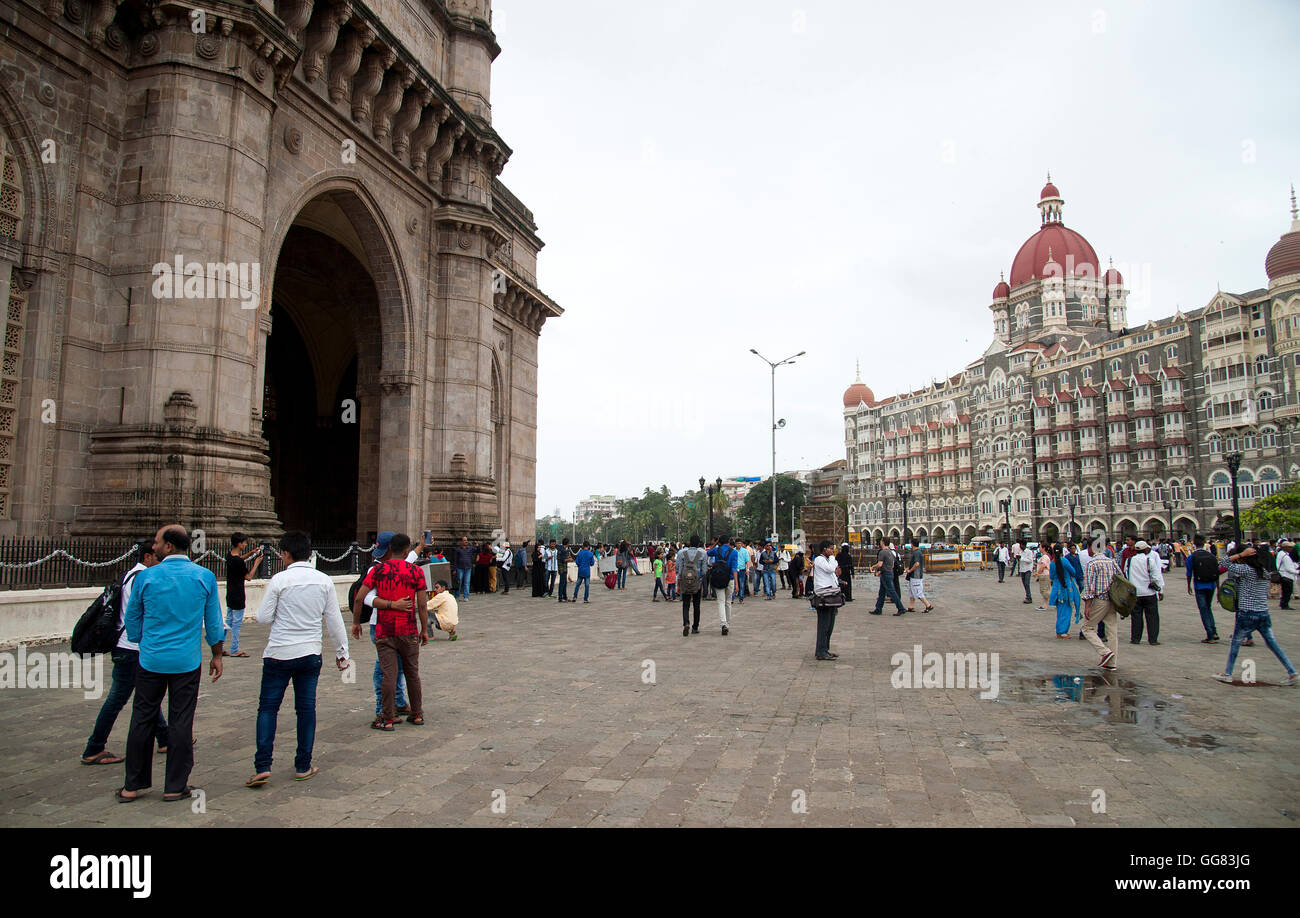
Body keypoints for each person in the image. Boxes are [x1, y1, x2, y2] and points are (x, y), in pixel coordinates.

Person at [116, 525, 225, 802]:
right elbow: (213, 622)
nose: (153, 546)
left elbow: (132, 619)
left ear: (167, 547)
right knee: (181, 721)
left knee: (142, 717)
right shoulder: (204, 577)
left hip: (151, 659)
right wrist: (217, 653)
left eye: (156, 542)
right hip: (186, 662)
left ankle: (132, 785)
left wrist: (143, 639)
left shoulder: (147, 577)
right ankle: (175, 785)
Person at [245, 531, 350, 788]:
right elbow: (334, 620)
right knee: (305, 709)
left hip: (278, 653)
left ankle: (263, 765)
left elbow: (263, 617)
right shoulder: (324, 581)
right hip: (309, 654)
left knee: (268, 709)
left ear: (287, 554)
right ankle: (303, 765)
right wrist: (342, 652)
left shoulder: (280, 580)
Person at [81, 539, 168, 766]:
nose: (161, 562)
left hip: (129, 647)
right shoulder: (142, 578)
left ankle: (165, 738)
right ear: (148, 557)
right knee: (117, 699)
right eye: (158, 558)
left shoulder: (130, 575)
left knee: (147, 695)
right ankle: (94, 747)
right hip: (131, 648)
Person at [354, 532, 429, 730]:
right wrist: (424, 629)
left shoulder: (378, 571)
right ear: (406, 551)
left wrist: (355, 622)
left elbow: (359, 598)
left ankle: (387, 718)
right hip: (408, 630)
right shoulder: (415, 572)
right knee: (412, 673)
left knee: (388, 674)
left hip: (385, 630)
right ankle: (417, 713)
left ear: (390, 549)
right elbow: (422, 605)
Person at [1214, 545, 1299, 686]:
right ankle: (1292, 672)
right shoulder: (1264, 572)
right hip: (1263, 612)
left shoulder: (1246, 570)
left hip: (1247, 612)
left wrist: (1241, 554)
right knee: (1272, 643)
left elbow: (1223, 563)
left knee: (1235, 643)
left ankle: (1227, 673)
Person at [1080, 543, 1121, 671]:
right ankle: (1111, 663)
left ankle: (1105, 652)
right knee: (1112, 630)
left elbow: (1089, 588)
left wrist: (1087, 606)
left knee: (1087, 627)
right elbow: (1121, 578)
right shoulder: (1112, 562)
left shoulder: (1092, 564)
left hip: (1100, 600)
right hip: (1112, 600)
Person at [224, 533, 263, 658]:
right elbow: (249, 577)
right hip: (239, 594)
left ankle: (221, 645)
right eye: (244, 543)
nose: (245, 545)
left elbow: (238, 560)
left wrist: (251, 553)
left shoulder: (229, 556)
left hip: (230, 593)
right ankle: (234, 648)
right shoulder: (238, 562)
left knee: (228, 621)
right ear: (239, 544)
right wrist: (256, 562)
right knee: (236, 623)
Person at [1186, 535, 1222, 643]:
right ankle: (1214, 632)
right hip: (1211, 585)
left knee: (1203, 610)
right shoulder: (1212, 556)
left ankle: (1210, 635)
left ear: (1194, 544)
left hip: (1200, 585)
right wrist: (1218, 588)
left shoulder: (1192, 557)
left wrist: (1188, 586)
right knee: (1208, 608)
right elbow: (1217, 573)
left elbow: (1189, 573)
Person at [1128, 540, 1165, 645]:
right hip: (1149, 592)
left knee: (1136, 617)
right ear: (1146, 549)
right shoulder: (1149, 560)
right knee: (1152, 617)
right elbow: (1156, 577)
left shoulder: (1129, 560)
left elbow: (1126, 575)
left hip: (1135, 593)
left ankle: (1135, 638)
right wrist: (1160, 591)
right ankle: (1153, 639)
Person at [811, 541, 842, 661]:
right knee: (824, 625)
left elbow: (833, 572)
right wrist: (834, 558)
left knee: (830, 625)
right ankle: (820, 651)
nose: (832, 551)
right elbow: (830, 569)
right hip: (823, 596)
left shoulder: (828, 560)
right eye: (830, 549)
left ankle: (825, 649)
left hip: (832, 594)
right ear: (824, 549)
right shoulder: (820, 559)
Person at [708, 536, 739, 635]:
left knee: (720, 601)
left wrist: (715, 543)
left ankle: (723, 624)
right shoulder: (734, 552)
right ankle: (728, 624)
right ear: (729, 542)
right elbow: (734, 569)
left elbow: (708, 552)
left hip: (718, 578)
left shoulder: (717, 550)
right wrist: (737, 584)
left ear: (719, 542)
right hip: (729, 579)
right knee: (728, 602)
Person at [676, 536, 707, 636]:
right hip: (697, 582)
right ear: (699, 544)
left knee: (685, 604)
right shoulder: (703, 553)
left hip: (685, 581)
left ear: (689, 543)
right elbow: (704, 570)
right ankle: (695, 627)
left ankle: (686, 623)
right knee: (696, 605)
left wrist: (679, 582)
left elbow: (679, 569)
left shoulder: (681, 553)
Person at [1048, 544, 1079, 639]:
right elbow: (1073, 572)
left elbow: (1052, 576)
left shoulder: (1052, 563)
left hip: (1057, 588)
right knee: (1066, 611)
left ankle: (1060, 631)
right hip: (1066, 588)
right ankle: (1062, 632)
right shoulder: (1064, 561)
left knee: (1060, 611)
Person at [871, 537, 907, 616]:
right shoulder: (890, 552)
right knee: (882, 592)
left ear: (883, 542)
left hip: (885, 574)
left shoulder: (882, 552)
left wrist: (873, 567)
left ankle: (901, 608)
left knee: (892, 592)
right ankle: (878, 608)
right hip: (890, 572)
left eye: (881, 541)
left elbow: (880, 564)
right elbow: (893, 565)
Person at [904, 538, 933, 613]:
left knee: (918, 592)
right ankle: (911, 606)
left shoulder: (916, 553)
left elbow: (917, 564)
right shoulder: (918, 552)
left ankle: (928, 605)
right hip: (914, 575)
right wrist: (909, 568)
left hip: (915, 576)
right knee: (911, 591)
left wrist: (910, 570)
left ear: (912, 544)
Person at [452, 536, 474, 602]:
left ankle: (466, 596)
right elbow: (455, 560)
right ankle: (457, 595)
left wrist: (476, 545)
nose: (466, 541)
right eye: (464, 540)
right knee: (459, 582)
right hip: (460, 567)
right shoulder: (458, 549)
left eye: (466, 540)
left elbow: (477, 550)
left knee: (467, 582)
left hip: (468, 567)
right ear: (461, 541)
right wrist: (455, 569)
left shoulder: (469, 548)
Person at [1277, 542, 1298, 610]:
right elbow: (1289, 568)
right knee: (1287, 591)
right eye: (1290, 547)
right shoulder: (1285, 556)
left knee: (1285, 591)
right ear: (1285, 547)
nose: (1291, 549)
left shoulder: (1281, 554)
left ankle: (1283, 603)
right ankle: (1285, 604)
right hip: (1286, 575)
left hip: (1282, 574)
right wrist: (1297, 572)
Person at [1014, 539, 1034, 604]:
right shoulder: (1021, 552)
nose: (1020, 546)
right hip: (1022, 569)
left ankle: (1029, 597)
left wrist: (1021, 558)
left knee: (1027, 583)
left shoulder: (1029, 552)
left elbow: (1030, 560)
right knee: (1024, 584)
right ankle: (1027, 595)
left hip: (1028, 569)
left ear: (1024, 545)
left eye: (1021, 545)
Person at [1034, 545, 1052, 611]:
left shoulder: (1045, 556)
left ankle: (1054, 600)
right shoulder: (1045, 556)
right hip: (1044, 575)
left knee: (1045, 590)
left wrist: (1037, 573)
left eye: (1040, 547)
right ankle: (1045, 605)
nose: (1039, 548)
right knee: (1044, 590)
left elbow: (1043, 565)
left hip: (1044, 575)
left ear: (1044, 548)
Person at [556, 538, 573, 603]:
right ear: (567, 543)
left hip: (562, 568)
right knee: (562, 583)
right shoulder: (563, 550)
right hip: (562, 568)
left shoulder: (560, 549)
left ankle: (564, 597)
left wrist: (567, 558)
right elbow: (563, 560)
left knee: (564, 583)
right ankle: (561, 597)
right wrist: (569, 560)